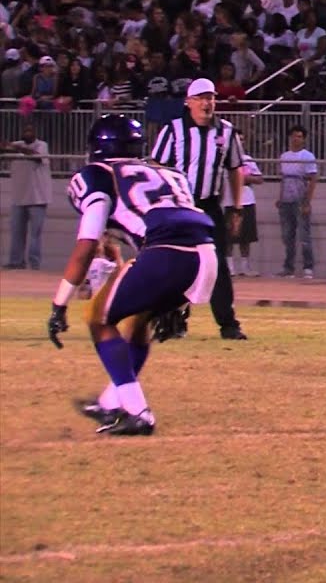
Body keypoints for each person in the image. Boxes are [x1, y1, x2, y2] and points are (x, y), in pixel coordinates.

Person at [50, 115, 218, 435]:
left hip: (167, 254)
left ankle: (138, 412)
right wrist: (178, 302)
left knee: (98, 317)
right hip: (207, 256)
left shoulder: (98, 175)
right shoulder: (170, 172)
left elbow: (86, 247)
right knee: (138, 320)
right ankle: (112, 402)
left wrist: (59, 305)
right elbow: (183, 223)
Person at [149, 78, 248, 340]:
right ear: (189, 102)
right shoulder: (173, 130)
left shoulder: (226, 131)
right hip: (180, 205)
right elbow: (157, 167)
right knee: (174, 264)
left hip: (209, 206)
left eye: (211, 98)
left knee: (217, 266)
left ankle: (228, 324)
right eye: (201, 98)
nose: (207, 103)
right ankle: (172, 320)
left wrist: (237, 208)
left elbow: (236, 169)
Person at [3, 123, 52, 270]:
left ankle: (34, 264)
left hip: (38, 198)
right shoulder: (16, 145)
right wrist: (5, 146)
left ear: (35, 133)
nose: (28, 133)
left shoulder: (42, 145)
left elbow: (36, 156)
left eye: (30, 131)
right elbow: (4, 150)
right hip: (18, 198)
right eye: (25, 131)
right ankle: (16, 261)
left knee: (35, 234)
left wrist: (15, 148)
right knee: (16, 232)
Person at [278, 124, 318, 278]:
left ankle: (308, 267)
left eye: (300, 136)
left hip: (300, 200)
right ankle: (289, 268)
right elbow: (283, 179)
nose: (296, 139)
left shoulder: (308, 157)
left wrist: (307, 202)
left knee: (304, 236)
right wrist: (280, 198)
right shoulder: (284, 156)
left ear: (304, 139)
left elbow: (313, 180)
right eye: (294, 136)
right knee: (287, 236)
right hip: (286, 201)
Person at [224, 132, 262, 277]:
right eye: (237, 140)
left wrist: (244, 178)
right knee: (229, 236)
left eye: (242, 140)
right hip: (229, 201)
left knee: (246, 236)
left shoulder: (248, 160)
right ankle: (229, 267)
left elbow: (259, 179)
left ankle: (245, 267)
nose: (240, 142)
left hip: (247, 201)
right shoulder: (224, 159)